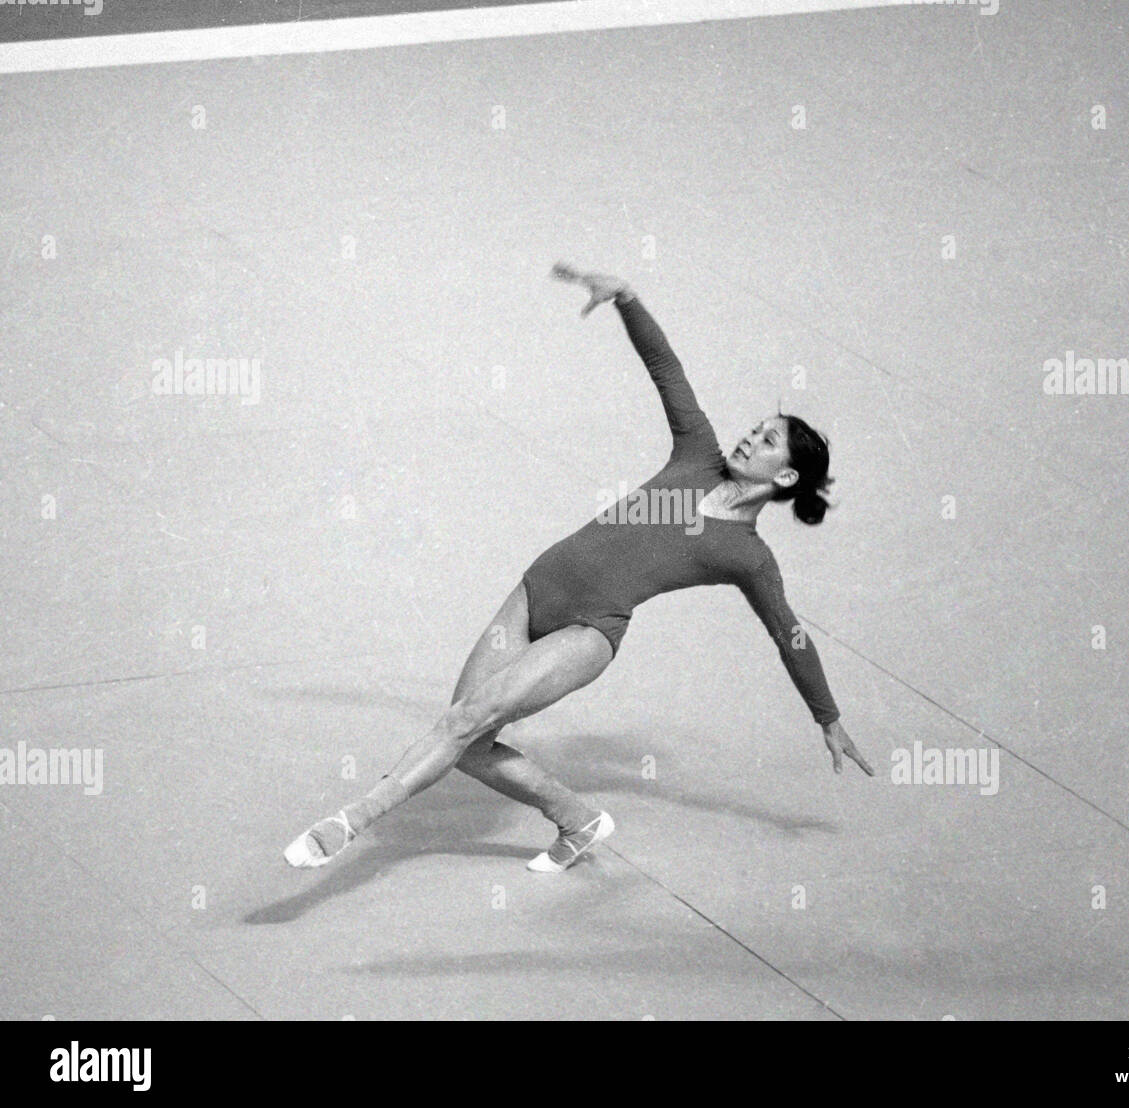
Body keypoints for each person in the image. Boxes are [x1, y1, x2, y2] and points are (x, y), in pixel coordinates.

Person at [285, 264, 872, 874]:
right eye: (757, 428)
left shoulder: (747, 555)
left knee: (463, 722)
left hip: (588, 631)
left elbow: (789, 634)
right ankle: (577, 818)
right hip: (533, 591)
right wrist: (626, 297)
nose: (751, 438)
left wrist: (827, 717)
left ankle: (353, 820)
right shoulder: (697, 451)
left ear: (784, 478)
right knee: (466, 741)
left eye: (768, 441)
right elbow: (667, 370)